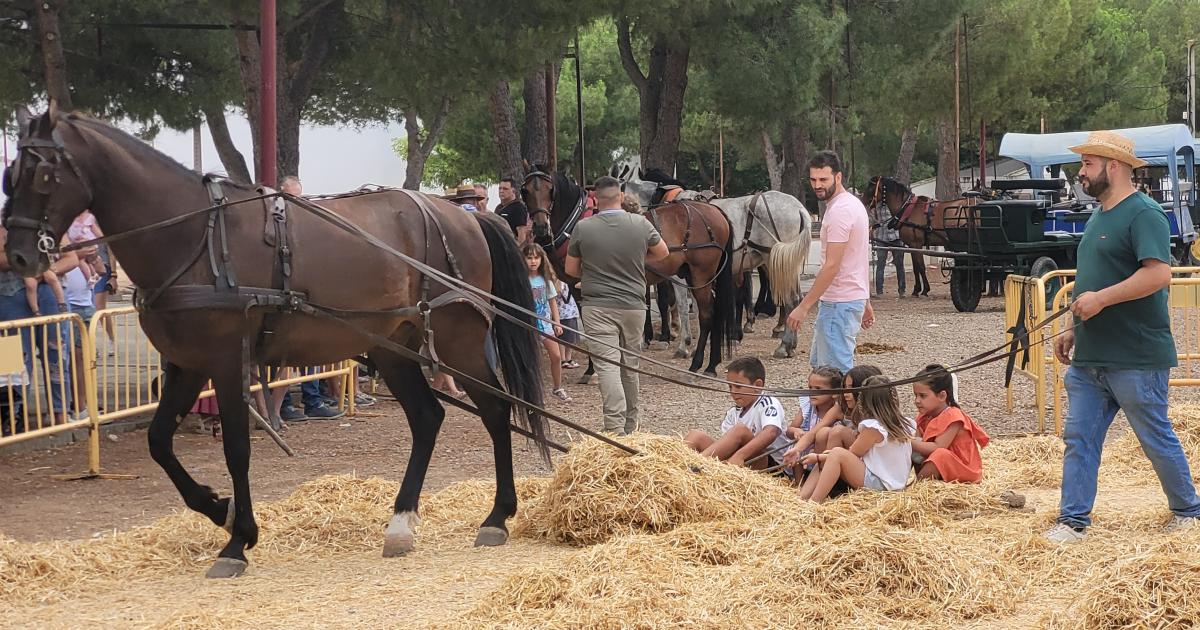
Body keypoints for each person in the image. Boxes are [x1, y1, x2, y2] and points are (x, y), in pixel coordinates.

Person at [1046, 130, 1200, 542]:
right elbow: (1088, 282)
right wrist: (1069, 327)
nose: (1081, 172)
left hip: (1136, 355)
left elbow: (1158, 274)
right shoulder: (1099, 214)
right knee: (1079, 438)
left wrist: (1100, 301)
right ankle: (1072, 519)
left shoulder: (1143, 213)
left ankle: (1188, 510)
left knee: (1153, 436)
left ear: (1114, 167)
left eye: (1087, 164)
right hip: (1092, 354)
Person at [565, 176, 669, 435]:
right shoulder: (640, 224)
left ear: (595, 200)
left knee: (607, 366)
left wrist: (592, 274)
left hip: (597, 305)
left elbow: (570, 269)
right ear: (621, 196)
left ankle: (614, 427)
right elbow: (664, 253)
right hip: (634, 304)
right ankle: (631, 424)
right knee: (629, 365)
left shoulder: (583, 227)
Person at [786, 151, 874, 372]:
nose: (817, 185)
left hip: (838, 302)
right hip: (848, 299)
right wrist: (864, 299)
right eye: (813, 179)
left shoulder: (839, 212)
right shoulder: (852, 205)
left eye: (823, 179)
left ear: (838, 177)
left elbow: (833, 265)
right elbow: (857, 258)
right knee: (822, 371)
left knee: (834, 375)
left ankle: (847, 406)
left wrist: (804, 306)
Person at [274, 175, 344, 421]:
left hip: (304, 297)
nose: (296, 202)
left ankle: (312, 400)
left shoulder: (303, 226)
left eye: (298, 197)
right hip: (283, 299)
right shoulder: (276, 222)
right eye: (291, 197)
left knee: (312, 353)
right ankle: (284, 406)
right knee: (283, 358)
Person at [0, 226, 78, 427]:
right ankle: (14, 416)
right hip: (10, 296)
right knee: (12, 361)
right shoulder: (4, 223)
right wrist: (29, 266)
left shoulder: (53, 223)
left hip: (50, 294)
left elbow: (71, 258)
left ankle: (60, 413)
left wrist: (47, 271)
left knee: (58, 355)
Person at [799, 375, 914, 502]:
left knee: (837, 453)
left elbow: (851, 453)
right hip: (896, 484)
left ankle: (814, 501)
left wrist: (818, 457)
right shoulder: (906, 423)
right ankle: (806, 497)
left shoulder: (873, 428)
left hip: (881, 485)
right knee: (835, 452)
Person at [683, 357, 788, 468]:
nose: (733, 392)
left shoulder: (768, 403)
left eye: (738, 386)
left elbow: (771, 432)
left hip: (773, 467)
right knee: (695, 436)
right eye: (730, 386)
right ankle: (676, 469)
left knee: (740, 430)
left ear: (757, 385)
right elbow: (727, 445)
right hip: (739, 462)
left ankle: (697, 467)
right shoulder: (733, 413)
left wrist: (740, 455)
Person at [785, 364, 882, 482]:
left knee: (837, 431)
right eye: (845, 388)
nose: (845, 393)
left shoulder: (875, 415)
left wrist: (819, 456)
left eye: (851, 389)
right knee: (822, 433)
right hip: (840, 456)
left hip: (863, 460)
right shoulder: (841, 408)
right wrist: (797, 449)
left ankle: (821, 487)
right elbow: (813, 432)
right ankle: (805, 486)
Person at [910, 364, 989, 483]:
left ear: (942, 396)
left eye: (922, 396)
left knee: (939, 454)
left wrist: (909, 442)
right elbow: (918, 438)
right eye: (916, 395)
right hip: (939, 466)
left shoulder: (954, 416)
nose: (917, 401)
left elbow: (938, 447)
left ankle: (916, 487)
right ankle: (897, 481)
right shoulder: (924, 415)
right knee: (912, 449)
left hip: (963, 469)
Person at [523, 243, 570, 402]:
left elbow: (552, 302)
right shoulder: (521, 280)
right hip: (528, 325)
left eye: (536, 258)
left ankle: (557, 387)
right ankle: (534, 391)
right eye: (529, 258)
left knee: (556, 356)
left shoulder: (545, 280)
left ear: (542, 259)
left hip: (545, 324)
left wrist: (557, 323)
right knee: (533, 360)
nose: (533, 261)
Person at [783, 366, 844, 461]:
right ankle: (798, 476)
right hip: (803, 450)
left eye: (818, 388)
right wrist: (795, 431)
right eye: (810, 387)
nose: (812, 392)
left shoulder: (837, 411)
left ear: (835, 393)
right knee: (796, 446)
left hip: (824, 453)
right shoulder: (807, 406)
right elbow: (789, 431)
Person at [870, 199, 906, 298]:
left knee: (899, 264)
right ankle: (879, 291)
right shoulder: (876, 206)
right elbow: (872, 220)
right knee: (880, 264)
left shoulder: (896, 205)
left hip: (896, 237)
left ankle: (902, 290)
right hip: (881, 237)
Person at [556, 279, 581, 370]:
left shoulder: (571, 281)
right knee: (562, 338)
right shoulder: (556, 281)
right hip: (561, 314)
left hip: (572, 312)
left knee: (571, 338)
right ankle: (562, 359)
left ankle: (568, 358)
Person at [496, 177, 530, 242]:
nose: (501, 191)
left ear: (513, 191)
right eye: (500, 188)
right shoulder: (498, 208)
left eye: (505, 189)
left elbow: (521, 232)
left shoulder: (518, 207)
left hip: (511, 246)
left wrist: (519, 250)